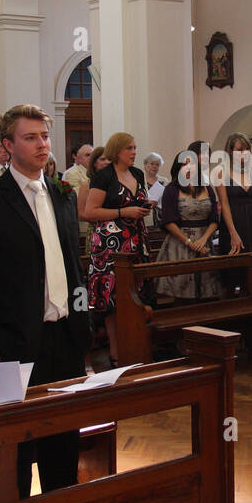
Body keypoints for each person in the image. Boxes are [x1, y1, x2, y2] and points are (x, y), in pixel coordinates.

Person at [0, 104, 90, 499]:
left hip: (64, 338)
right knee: (14, 443)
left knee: (62, 440)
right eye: (30, 137)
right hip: (14, 343)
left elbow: (72, 265)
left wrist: (82, 328)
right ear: (7, 145)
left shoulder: (63, 195)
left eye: (44, 136)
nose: (41, 145)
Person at [83, 133, 151, 365]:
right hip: (110, 245)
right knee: (113, 299)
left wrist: (143, 208)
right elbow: (91, 212)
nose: (133, 152)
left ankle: (134, 345)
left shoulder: (137, 174)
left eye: (135, 147)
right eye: (128, 148)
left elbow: (135, 201)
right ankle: (116, 351)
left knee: (134, 296)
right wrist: (124, 212)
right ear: (117, 150)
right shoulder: (104, 176)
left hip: (135, 239)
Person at [155, 144, 221, 302]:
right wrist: (189, 242)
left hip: (204, 242)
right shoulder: (171, 189)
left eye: (191, 163)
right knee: (182, 291)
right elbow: (169, 221)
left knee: (207, 292)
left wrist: (204, 239)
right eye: (184, 164)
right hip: (180, 243)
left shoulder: (207, 188)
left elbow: (214, 219)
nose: (188, 167)